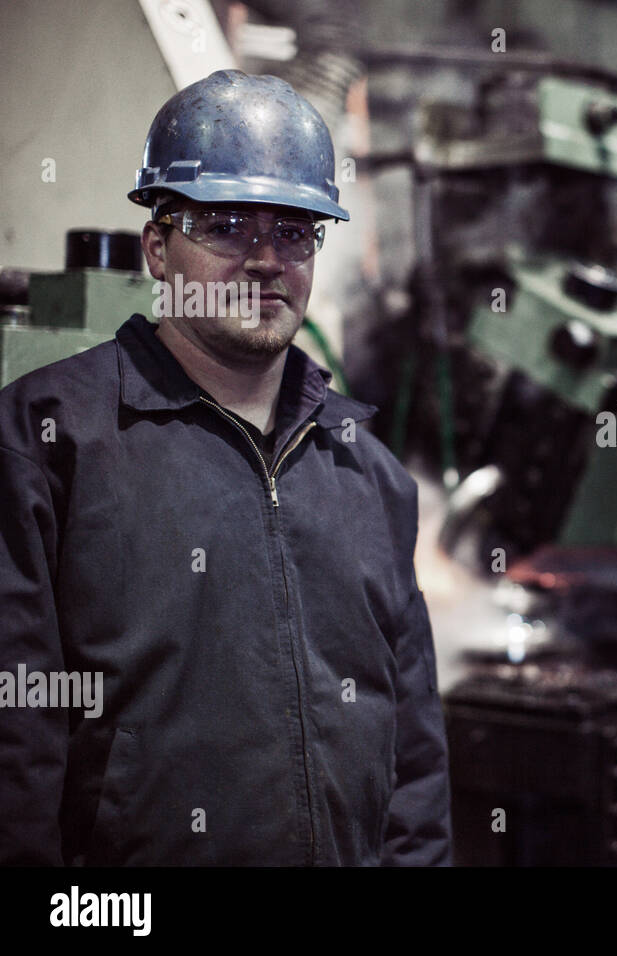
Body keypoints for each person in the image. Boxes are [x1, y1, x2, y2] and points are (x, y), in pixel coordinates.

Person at [0, 70, 452, 865]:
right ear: (157, 247)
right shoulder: (49, 440)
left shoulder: (370, 478)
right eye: (227, 225)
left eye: (295, 229)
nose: (265, 259)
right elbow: (16, 749)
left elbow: (413, 763)